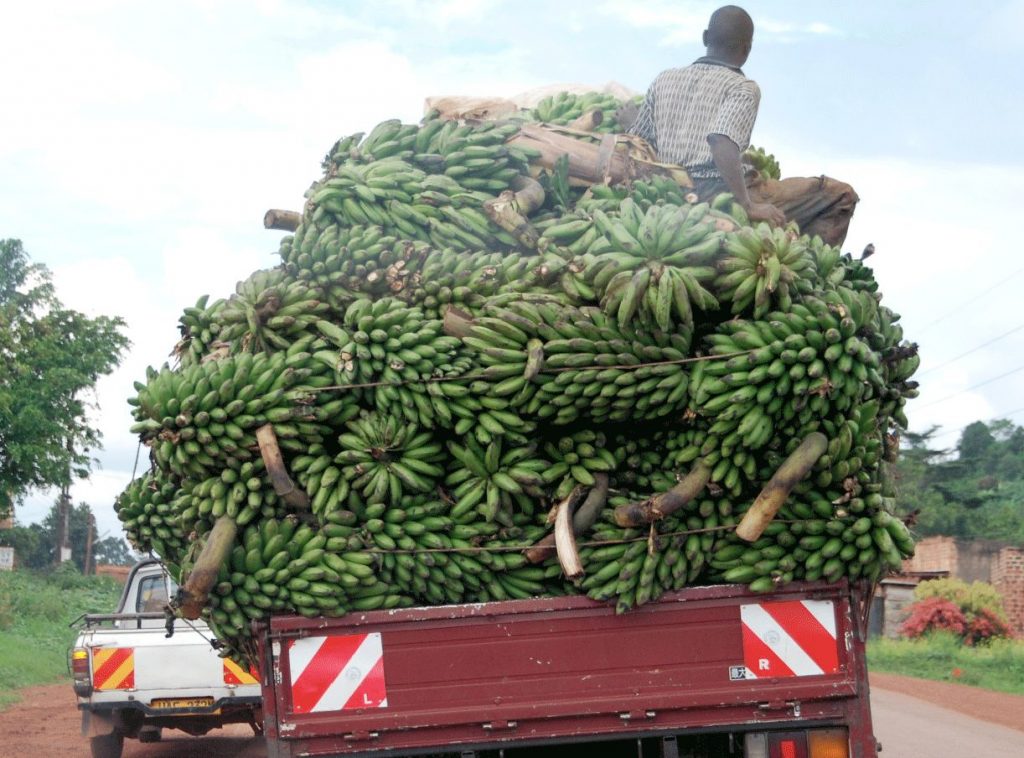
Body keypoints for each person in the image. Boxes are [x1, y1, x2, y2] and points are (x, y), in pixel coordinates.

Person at [627, 5, 859, 246]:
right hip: (719, 192)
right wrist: (748, 205)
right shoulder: (742, 88)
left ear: (705, 38)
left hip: (670, 189)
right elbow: (721, 140)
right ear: (747, 49)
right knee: (841, 194)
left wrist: (631, 122)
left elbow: (639, 142)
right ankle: (809, 257)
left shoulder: (664, 79)